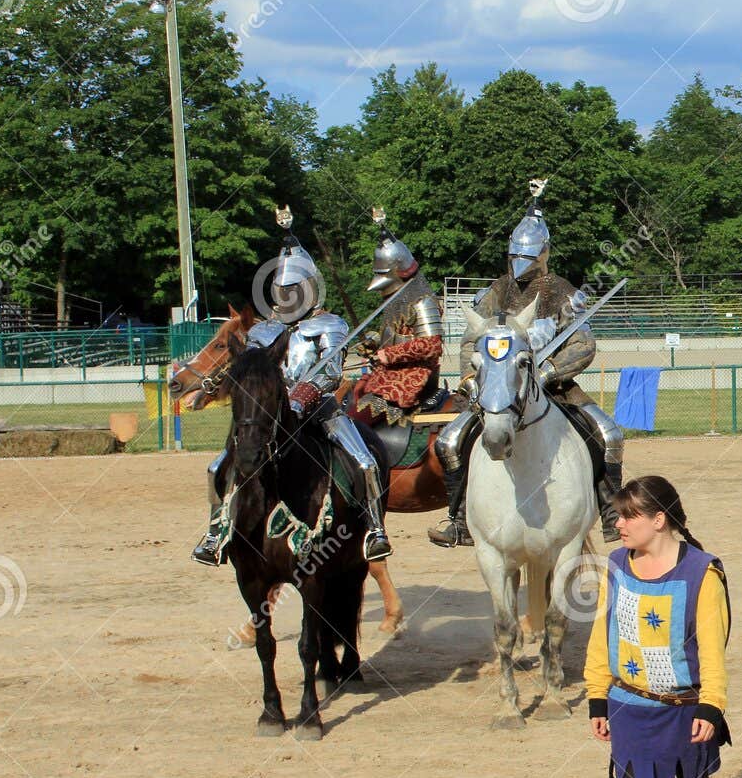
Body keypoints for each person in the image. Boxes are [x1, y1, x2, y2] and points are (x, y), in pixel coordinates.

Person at [429, 178, 625, 546]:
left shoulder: (563, 292)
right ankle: (458, 519)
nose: (519, 264)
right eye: (514, 256)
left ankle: (611, 510)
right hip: (498, 388)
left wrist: (547, 373)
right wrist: (472, 376)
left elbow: (583, 344)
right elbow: (472, 338)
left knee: (609, 434)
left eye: (527, 256)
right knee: (450, 440)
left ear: (543, 253)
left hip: (557, 389)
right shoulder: (496, 291)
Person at [191, 212, 393, 565]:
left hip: (319, 409)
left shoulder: (329, 324)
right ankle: (214, 533)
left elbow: (330, 373)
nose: (286, 297)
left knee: (364, 462)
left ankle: (375, 530)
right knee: (217, 466)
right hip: (272, 413)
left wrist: (301, 397)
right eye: (281, 291)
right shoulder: (262, 332)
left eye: (293, 290)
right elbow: (253, 373)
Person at [585, 475, 730, 778]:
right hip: (630, 704)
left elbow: (712, 648)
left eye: (629, 516)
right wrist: (596, 695)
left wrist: (712, 707)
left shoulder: (703, 573)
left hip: (684, 706)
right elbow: (602, 633)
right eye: (618, 515)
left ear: (659, 519)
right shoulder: (615, 565)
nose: (618, 523)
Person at [349, 210, 445, 426]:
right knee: (355, 391)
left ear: (400, 272)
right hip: (391, 372)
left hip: (412, 375)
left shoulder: (423, 301)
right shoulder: (398, 301)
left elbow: (432, 345)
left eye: (383, 274)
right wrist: (374, 342)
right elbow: (396, 334)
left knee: (357, 420)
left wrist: (388, 355)